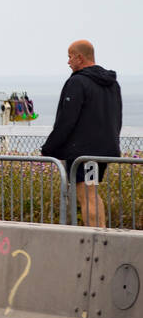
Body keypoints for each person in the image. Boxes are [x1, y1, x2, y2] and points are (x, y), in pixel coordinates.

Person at [40, 40, 123, 227]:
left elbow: (66, 120)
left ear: (80, 57)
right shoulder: (112, 84)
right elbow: (117, 117)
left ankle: (94, 240)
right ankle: (102, 234)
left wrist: (49, 148)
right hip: (104, 149)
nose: (68, 62)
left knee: (86, 195)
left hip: (83, 153)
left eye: (70, 57)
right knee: (92, 193)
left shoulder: (78, 82)